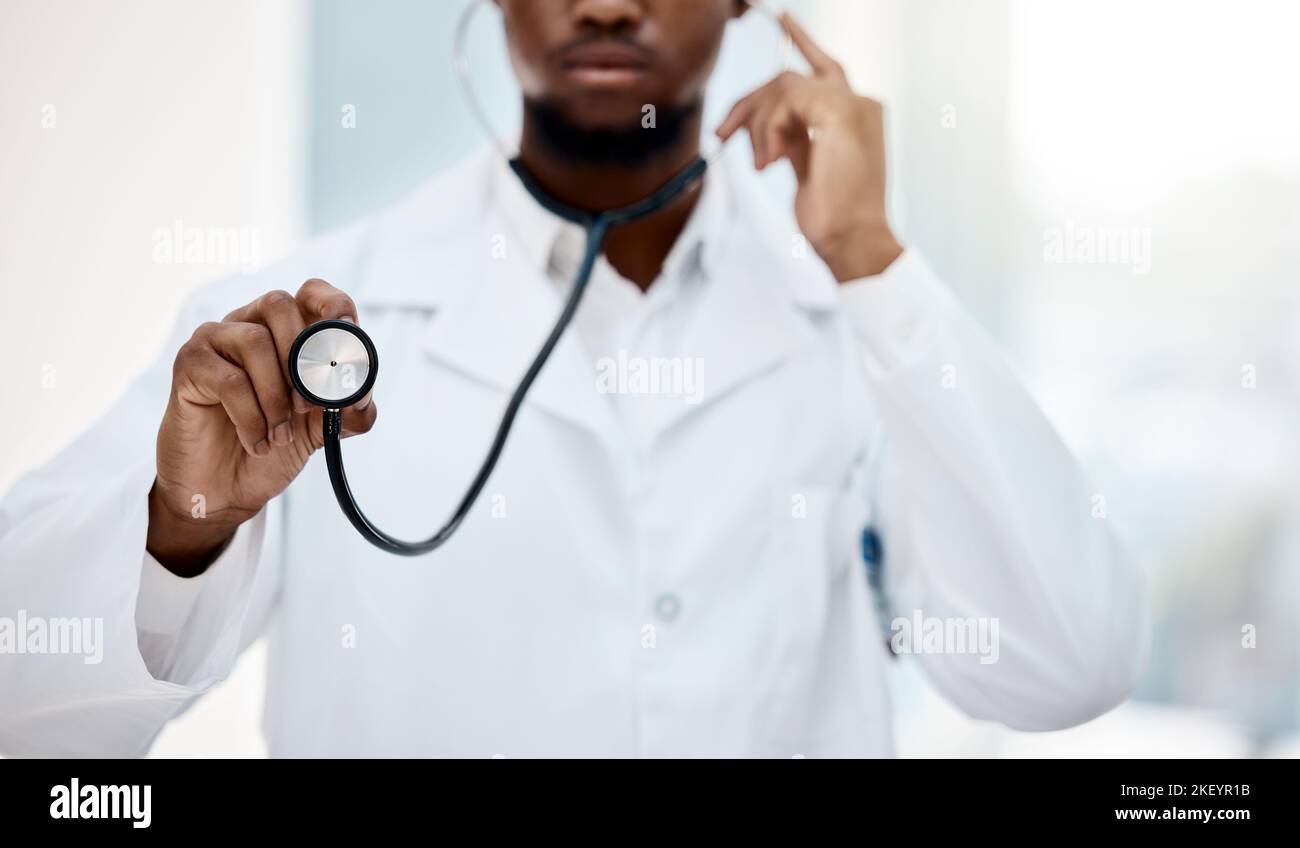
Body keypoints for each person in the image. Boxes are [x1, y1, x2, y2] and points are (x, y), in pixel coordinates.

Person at [0, 0, 1147, 756]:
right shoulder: (292, 327)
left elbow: (1068, 662)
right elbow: (23, 697)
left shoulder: (857, 318)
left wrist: (872, 263)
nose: (604, 2)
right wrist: (183, 525)